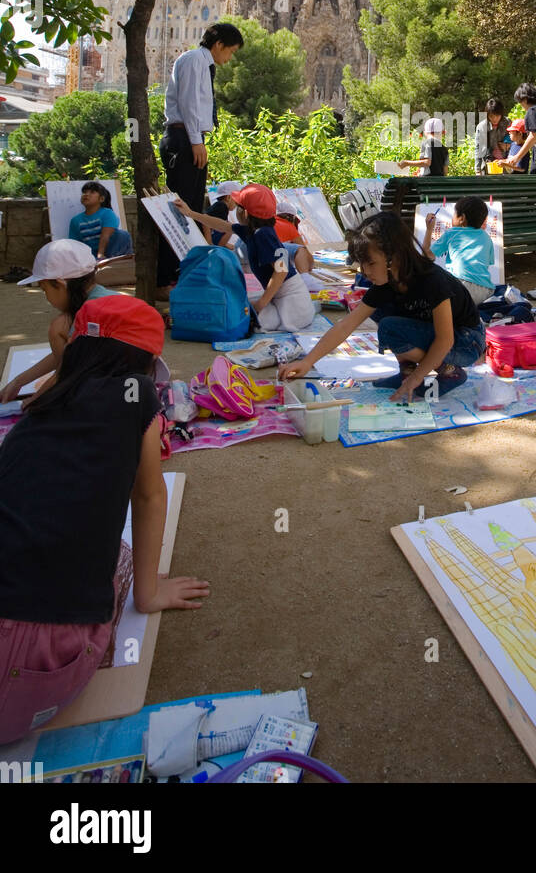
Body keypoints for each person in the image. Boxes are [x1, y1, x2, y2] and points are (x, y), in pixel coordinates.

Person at [0, 296, 209, 743]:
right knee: (119, 557)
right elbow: (150, 494)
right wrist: (147, 594)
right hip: (27, 668)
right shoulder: (140, 398)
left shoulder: (40, 405)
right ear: (145, 362)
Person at [278, 212, 486, 400]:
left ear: (392, 257)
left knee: (390, 326)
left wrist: (418, 378)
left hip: (467, 341)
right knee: (383, 313)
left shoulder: (431, 280)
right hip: (444, 337)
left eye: (370, 263)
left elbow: (445, 338)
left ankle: (449, 371)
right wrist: (308, 362)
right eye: (362, 263)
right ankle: (406, 372)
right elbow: (346, 325)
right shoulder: (388, 282)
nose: (364, 271)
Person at [156, 21, 244, 294]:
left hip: (190, 136)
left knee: (192, 208)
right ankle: (165, 277)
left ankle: (181, 272)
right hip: (184, 137)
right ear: (219, 45)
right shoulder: (195, 61)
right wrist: (196, 141)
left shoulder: (202, 63)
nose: (229, 59)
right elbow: (190, 102)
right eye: (230, 51)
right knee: (181, 209)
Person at [174, 184, 315, 330]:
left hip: (292, 305)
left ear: (245, 213)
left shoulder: (263, 235)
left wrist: (261, 304)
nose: (236, 209)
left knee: (241, 317)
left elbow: (282, 270)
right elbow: (222, 225)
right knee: (238, 306)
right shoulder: (253, 230)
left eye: (238, 206)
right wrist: (190, 213)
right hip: (280, 298)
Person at [0, 240, 116, 403]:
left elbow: (66, 372)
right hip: (135, 387)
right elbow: (64, 357)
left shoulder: (89, 315)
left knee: (59, 325)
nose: (47, 297)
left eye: (44, 289)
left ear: (60, 284)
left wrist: (33, 401)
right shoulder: (106, 296)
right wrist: (19, 381)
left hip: (115, 396)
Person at [422, 196, 495, 306]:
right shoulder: (487, 237)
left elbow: (427, 256)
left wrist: (429, 229)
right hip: (486, 291)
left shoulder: (452, 233)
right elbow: (486, 264)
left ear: (462, 218)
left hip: (460, 289)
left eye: (454, 214)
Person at [68, 181, 133, 259]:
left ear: (101, 199)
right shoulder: (75, 220)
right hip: (89, 256)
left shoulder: (107, 213)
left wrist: (100, 255)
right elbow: (75, 244)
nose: (86, 194)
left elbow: (105, 236)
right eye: (84, 192)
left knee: (122, 234)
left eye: (92, 192)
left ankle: (116, 261)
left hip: (109, 252)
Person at [474, 99, 509, 175]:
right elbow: (478, 148)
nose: (494, 119)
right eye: (491, 116)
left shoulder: (507, 122)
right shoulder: (482, 127)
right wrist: (477, 169)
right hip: (488, 165)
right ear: (487, 115)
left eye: (497, 115)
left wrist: (508, 143)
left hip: (506, 164)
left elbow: (514, 139)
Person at [206, 180, 242, 247]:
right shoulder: (221, 206)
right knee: (231, 227)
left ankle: (222, 245)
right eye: (236, 199)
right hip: (210, 240)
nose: (237, 203)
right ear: (228, 197)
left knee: (230, 226)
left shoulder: (221, 207)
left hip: (214, 238)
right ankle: (219, 246)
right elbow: (205, 220)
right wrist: (209, 242)